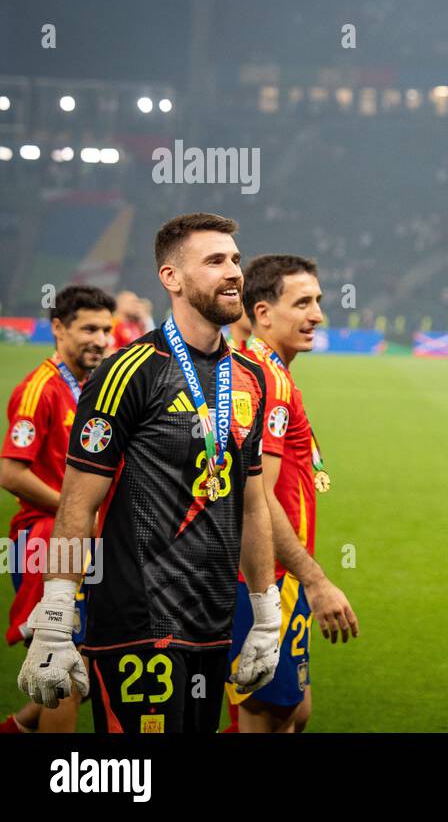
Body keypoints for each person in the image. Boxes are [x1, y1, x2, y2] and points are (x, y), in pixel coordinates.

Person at [16, 213, 282, 733]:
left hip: (212, 623)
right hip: (138, 622)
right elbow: (77, 504)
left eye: (234, 259)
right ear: (171, 278)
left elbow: (253, 506)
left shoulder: (250, 378)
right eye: (213, 262)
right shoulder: (125, 372)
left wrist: (265, 613)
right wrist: (54, 618)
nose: (233, 272)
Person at [226, 254, 359, 733]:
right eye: (302, 303)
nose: (318, 314)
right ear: (263, 313)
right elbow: (257, 496)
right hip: (264, 575)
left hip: (277, 573)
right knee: (266, 713)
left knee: (293, 709)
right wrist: (316, 580)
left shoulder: (263, 369)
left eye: (318, 301)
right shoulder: (268, 379)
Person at [1, 286, 114, 733]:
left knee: (79, 663)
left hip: (78, 541)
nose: (101, 339)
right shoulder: (39, 389)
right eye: (88, 328)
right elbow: (10, 472)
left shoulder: (90, 388)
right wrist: (76, 509)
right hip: (43, 540)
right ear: (58, 328)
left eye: (106, 329)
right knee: (60, 667)